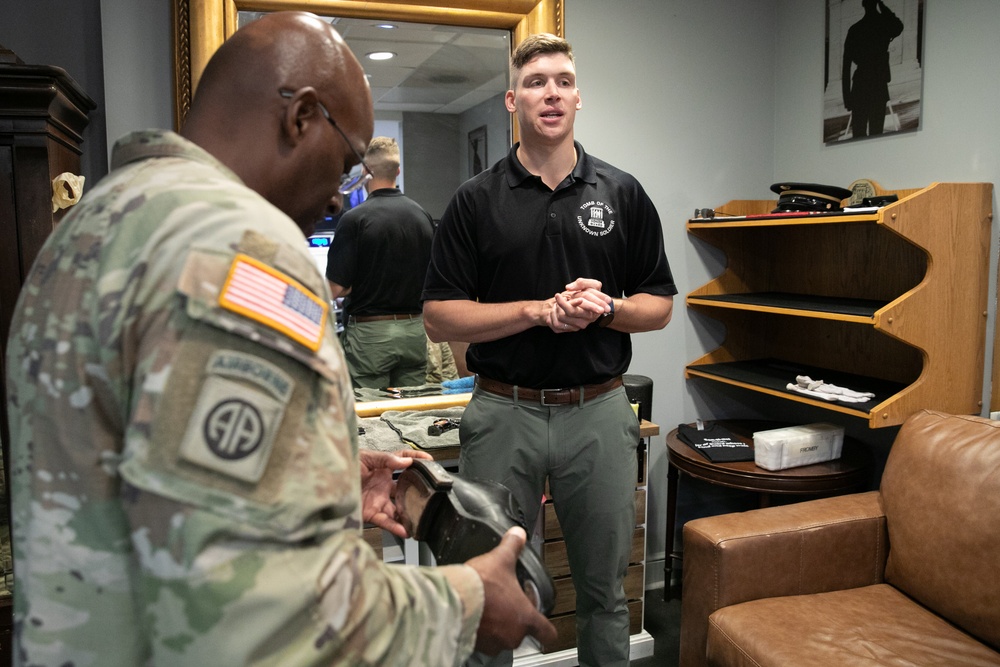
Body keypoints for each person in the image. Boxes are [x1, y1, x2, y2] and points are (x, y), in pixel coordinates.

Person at [4, 12, 555, 666]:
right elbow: (265, 617)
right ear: (302, 117)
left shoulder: (84, 230)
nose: (336, 201)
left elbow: (143, 475)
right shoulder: (247, 253)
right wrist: (466, 600)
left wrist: (313, 480)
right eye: (347, 164)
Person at [422, 33, 676, 667]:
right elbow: (437, 317)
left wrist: (609, 308)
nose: (551, 92)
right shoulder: (475, 201)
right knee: (488, 593)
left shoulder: (623, 193)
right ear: (513, 100)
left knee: (604, 597)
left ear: (579, 97)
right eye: (536, 82)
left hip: (599, 411)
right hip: (504, 413)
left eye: (562, 80)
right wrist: (538, 311)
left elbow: (661, 304)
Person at [326, 136, 436, 389]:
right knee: (412, 411)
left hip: (370, 336)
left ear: (366, 172)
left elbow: (334, 288)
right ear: (397, 171)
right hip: (414, 331)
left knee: (371, 416)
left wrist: (355, 285)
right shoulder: (422, 216)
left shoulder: (355, 219)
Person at [842, 0, 904, 138]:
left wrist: (847, 97)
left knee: (858, 135)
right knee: (876, 135)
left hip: (860, 86)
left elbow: (846, 66)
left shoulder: (855, 29)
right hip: (878, 84)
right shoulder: (883, 24)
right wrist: (882, 6)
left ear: (863, 4)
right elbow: (898, 26)